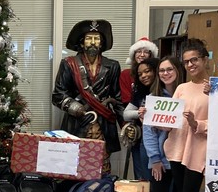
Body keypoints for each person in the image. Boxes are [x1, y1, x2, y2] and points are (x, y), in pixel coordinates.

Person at [52, 19, 123, 176]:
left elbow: (117, 98)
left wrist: (125, 124)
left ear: (102, 43)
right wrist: (76, 108)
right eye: (89, 38)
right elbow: (58, 95)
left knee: (102, 168)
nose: (93, 42)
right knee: (73, 168)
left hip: (103, 125)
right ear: (82, 42)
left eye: (96, 38)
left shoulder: (113, 66)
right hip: (77, 123)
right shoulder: (69, 64)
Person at [163, 40, 211, 192]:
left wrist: (195, 123)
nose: (190, 64)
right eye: (186, 62)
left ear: (205, 60)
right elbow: (169, 120)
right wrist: (152, 117)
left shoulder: (215, 88)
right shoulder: (182, 88)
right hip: (177, 148)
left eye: (194, 60)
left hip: (197, 150)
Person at [140, 56, 184, 192]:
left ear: (178, 70)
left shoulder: (187, 95)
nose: (165, 73)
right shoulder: (153, 98)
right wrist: (155, 159)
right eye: (162, 70)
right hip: (161, 160)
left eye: (169, 69)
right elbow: (149, 133)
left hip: (183, 158)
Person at [121, 56, 159, 181]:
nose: (143, 76)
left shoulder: (164, 92)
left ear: (155, 70)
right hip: (143, 140)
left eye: (147, 71)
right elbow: (126, 114)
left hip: (162, 143)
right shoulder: (140, 92)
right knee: (143, 178)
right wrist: (139, 113)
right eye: (140, 74)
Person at [120, 37, 158, 104]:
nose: (142, 55)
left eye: (146, 52)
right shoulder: (125, 74)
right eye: (139, 51)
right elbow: (126, 99)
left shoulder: (157, 73)